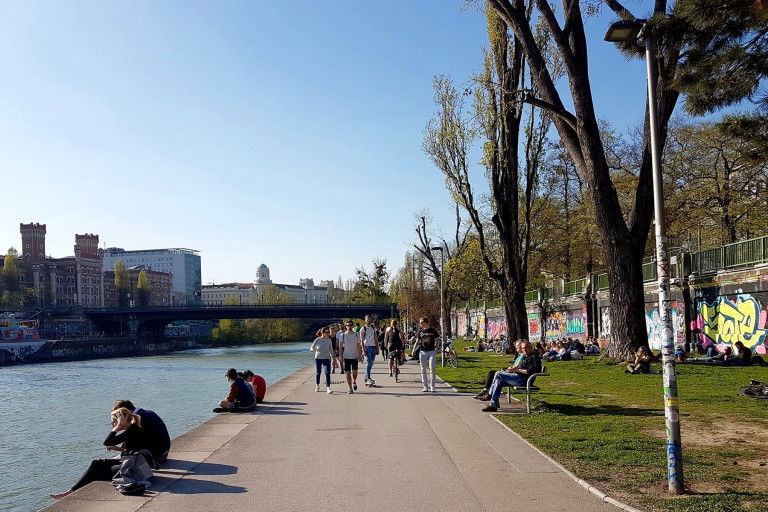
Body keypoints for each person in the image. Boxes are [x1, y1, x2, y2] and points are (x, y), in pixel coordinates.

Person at [50, 407, 150, 499]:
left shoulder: (133, 430)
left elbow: (107, 442)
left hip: (133, 469)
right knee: (96, 463)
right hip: (133, 464)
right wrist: (118, 449)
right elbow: (133, 449)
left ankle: (69, 493)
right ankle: (69, 492)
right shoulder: (133, 429)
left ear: (121, 419)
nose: (112, 425)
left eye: (114, 422)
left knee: (98, 472)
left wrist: (118, 427)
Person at [481, 341, 542, 412]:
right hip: (517, 377)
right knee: (498, 381)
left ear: (531, 347)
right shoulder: (526, 356)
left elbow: (531, 371)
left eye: (526, 348)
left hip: (523, 380)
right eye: (523, 348)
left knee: (498, 374)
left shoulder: (534, 357)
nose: (524, 350)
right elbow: (518, 368)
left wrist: (517, 370)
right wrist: (512, 370)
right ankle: (493, 405)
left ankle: (489, 395)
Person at [112, 400, 170, 465]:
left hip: (156, 458)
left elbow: (120, 440)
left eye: (118, 415)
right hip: (163, 453)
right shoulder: (147, 412)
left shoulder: (137, 420)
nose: (119, 418)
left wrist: (118, 425)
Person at [339, 320, 364, 394]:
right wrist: (340, 356)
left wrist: (360, 355)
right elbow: (340, 347)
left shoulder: (356, 335)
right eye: (347, 325)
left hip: (354, 356)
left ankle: (354, 381)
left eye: (350, 325)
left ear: (353, 326)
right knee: (347, 373)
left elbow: (359, 346)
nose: (349, 326)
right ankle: (350, 388)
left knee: (355, 372)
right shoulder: (342, 335)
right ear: (345, 326)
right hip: (346, 357)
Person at [416, 317, 439, 392]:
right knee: (423, 369)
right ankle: (425, 386)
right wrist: (413, 349)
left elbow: (437, 340)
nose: (420, 324)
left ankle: (432, 386)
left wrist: (437, 348)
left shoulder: (432, 330)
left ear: (425, 322)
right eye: (420, 323)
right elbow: (417, 341)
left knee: (432, 368)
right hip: (422, 352)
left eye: (421, 322)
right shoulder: (420, 331)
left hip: (432, 351)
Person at [310, 327, 334, 394]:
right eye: (325, 332)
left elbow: (331, 350)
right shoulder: (317, 340)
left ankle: (328, 388)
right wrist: (313, 349)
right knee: (318, 372)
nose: (327, 334)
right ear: (322, 332)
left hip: (326, 358)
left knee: (327, 372)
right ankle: (317, 385)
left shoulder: (329, 340)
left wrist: (333, 358)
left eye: (327, 332)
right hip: (318, 358)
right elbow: (311, 347)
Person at [359, 315, 379, 386]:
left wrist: (377, 347)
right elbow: (361, 340)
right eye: (367, 319)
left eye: (369, 319)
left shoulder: (373, 328)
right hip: (367, 346)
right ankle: (368, 377)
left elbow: (376, 338)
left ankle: (366, 376)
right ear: (365, 320)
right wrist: (363, 350)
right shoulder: (363, 328)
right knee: (369, 362)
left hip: (373, 346)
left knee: (372, 362)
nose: (368, 320)